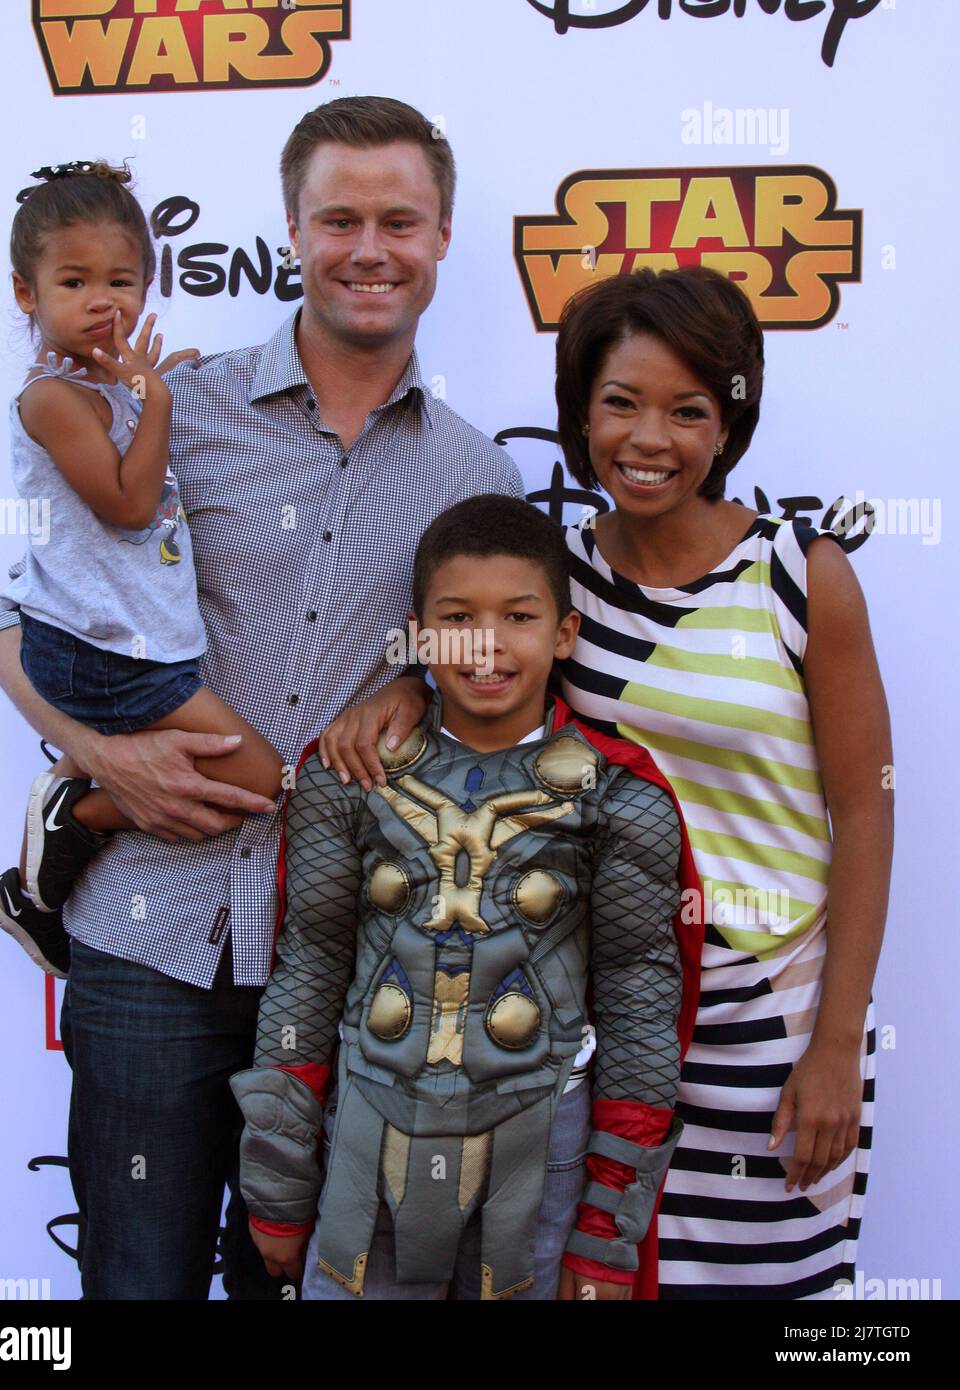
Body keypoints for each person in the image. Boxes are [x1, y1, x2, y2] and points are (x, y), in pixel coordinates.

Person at [0, 98, 523, 1300]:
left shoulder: (477, 474)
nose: (368, 247)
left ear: (442, 237)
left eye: (398, 219)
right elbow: (14, 629)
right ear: (291, 228)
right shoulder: (169, 412)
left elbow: (490, 676)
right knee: (137, 1282)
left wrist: (405, 686)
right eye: (339, 218)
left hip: (350, 964)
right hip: (149, 939)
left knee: (319, 1290)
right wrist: (101, 761)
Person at [316, 265, 893, 1300]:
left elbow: (863, 809)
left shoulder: (798, 574)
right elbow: (475, 662)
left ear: (728, 422)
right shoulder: (558, 577)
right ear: (577, 416)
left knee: (781, 1298)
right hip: (596, 1033)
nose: (647, 438)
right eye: (618, 403)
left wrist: (836, 1047)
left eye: (686, 409)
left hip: (767, 1016)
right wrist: (404, 690)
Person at [233, 495, 702, 1300]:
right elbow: (307, 969)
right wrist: (276, 1178)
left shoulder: (623, 797)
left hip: (544, 1139)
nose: (486, 645)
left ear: (564, 633)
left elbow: (640, 1006)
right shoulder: (345, 778)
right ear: (419, 637)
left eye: (519, 616)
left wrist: (606, 1233)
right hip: (365, 1131)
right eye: (458, 619)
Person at [0, 160, 283, 981]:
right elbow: (129, 505)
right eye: (74, 281)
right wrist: (158, 405)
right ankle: (75, 815)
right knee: (259, 777)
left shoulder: (107, 388)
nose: (103, 301)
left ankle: (37, 885)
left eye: (122, 280)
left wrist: (152, 386)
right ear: (25, 293)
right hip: (107, 653)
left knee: (223, 780)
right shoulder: (51, 399)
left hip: (134, 644)